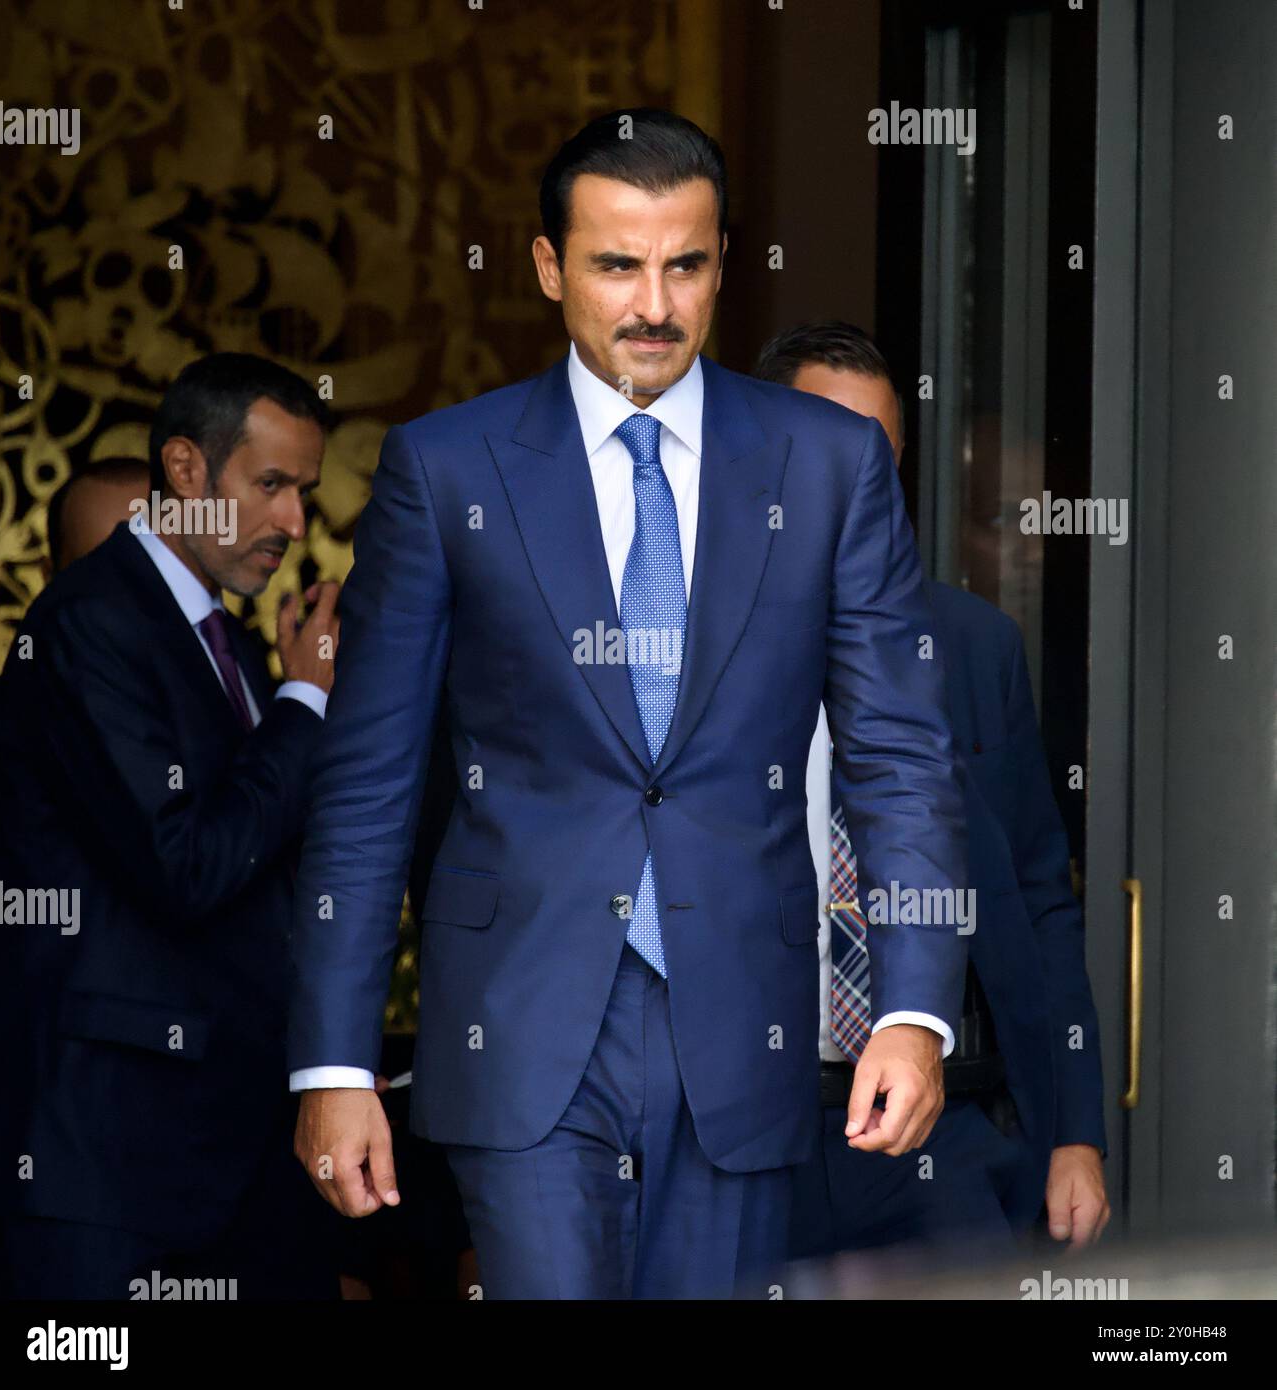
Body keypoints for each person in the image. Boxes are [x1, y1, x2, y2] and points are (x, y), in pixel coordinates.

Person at [288, 109, 969, 1300]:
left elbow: (898, 752)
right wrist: (333, 1061)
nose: (653, 303)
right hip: (520, 1015)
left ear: (720, 267)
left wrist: (913, 1006)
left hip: (745, 1017)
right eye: (616, 263)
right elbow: (368, 780)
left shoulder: (826, 463)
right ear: (550, 269)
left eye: (685, 264)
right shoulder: (448, 468)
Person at [0, 352, 344, 1298]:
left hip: (230, 1153)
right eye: (269, 486)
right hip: (111, 1162)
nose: (294, 524)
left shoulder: (224, 645)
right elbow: (185, 865)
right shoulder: (91, 623)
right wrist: (305, 699)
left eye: (301, 492)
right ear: (185, 471)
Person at [754, 322, 1108, 1259]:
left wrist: (1074, 1131)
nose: (852, 478)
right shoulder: (683, 635)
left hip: (935, 1131)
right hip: (742, 1128)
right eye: (827, 445)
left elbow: (1039, 898)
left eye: (880, 459)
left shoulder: (973, 646)